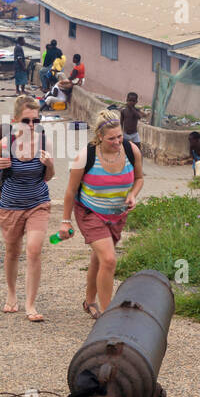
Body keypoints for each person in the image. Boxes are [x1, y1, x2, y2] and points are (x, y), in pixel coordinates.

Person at [59, 109, 144, 319]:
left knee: (99, 259)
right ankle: (108, 315)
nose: (117, 142)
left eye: (119, 137)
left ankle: (89, 302)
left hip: (117, 215)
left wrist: (133, 194)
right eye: (111, 138)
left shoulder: (131, 150)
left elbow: (140, 178)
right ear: (99, 137)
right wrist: (65, 221)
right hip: (90, 212)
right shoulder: (84, 157)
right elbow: (70, 191)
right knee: (109, 260)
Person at [0, 94, 55, 322]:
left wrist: (50, 165)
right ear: (16, 120)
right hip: (11, 205)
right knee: (12, 252)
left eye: (36, 121)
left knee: (34, 250)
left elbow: (49, 176)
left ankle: (31, 304)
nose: (31, 126)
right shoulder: (6, 143)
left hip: (38, 203)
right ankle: (11, 294)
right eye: (27, 121)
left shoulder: (44, 142)